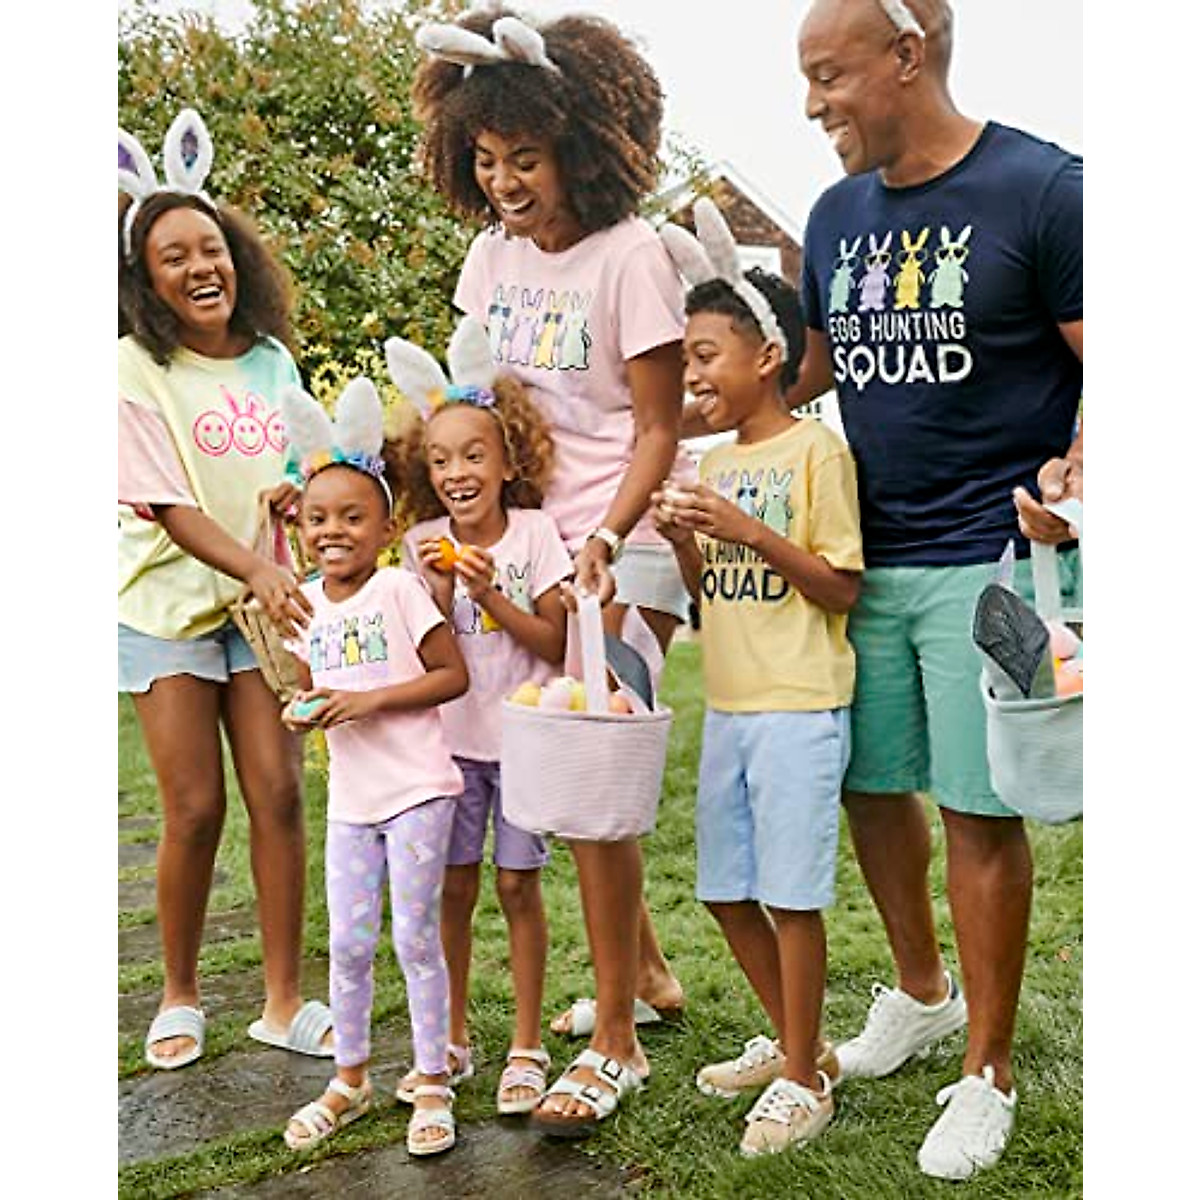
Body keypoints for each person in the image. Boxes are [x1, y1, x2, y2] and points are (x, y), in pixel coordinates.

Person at [744, 0, 1080, 1180]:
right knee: (872, 788)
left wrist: (1078, 468)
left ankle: (986, 1071)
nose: (811, 104)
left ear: (907, 54)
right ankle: (925, 994)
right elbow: (808, 373)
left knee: (978, 809)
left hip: (993, 560)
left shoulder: (1044, 190)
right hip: (865, 561)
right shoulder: (836, 215)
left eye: (827, 74)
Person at [411, 6, 692, 1134]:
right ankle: (649, 974)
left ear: (580, 144)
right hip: (530, 544)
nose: (505, 182)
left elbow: (660, 430)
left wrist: (606, 543)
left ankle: (617, 1041)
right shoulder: (490, 256)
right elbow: (478, 404)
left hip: (627, 540)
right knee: (561, 775)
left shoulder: (633, 257)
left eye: (525, 157)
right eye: (486, 159)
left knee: (590, 769)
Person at [117, 108, 334, 1071]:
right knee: (196, 807)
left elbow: (302, 458)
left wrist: (300, 489)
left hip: (261, 611)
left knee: (278, 792)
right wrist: (256, 564)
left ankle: (284, 1001)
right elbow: (168, 505)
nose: (200, 267)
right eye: (174, 257)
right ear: (144, 277)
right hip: (165, 607)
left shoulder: (271, 361)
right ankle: (180, 993)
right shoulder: (130, 368)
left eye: (211, 249)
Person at [652, 200, 863, 1156]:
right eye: (686, 360)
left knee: (790, 895)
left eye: (705, 355)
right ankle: (799, 1047)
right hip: (733, 705)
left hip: (799, 706)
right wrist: (685, 543)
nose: (691, 375)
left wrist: (742, 527)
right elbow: (713, 598)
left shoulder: (816, 450)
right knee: (725, 890)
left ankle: (801, 1077)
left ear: (768, 355)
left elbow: (839, 586)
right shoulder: (712, 464)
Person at [383, 320, 573, 1116]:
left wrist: (489, 591)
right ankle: (450, 1039)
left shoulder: (535, 535)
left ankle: (527, 1045)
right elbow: (418, 654)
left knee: (517, 886)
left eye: (473, 455)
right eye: (440, 460)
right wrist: (434, 592)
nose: (457, 472)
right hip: (449, 751)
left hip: (523, 743)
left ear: (507, 462)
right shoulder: (422, 544)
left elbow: (557, 642)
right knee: (453, 890)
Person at [278, 378, 469, 1156]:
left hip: (418, 790)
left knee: (414, 940)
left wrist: (372, 701)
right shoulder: (304, 605)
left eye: (353, 517)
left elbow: (451, 675)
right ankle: (350, 1080)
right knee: (349, 945)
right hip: (352, 804)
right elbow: (303, 689)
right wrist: (303, 709)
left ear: (386, 529)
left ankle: (433, 1081)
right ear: (301, 529)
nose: (334, 531)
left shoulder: (398, 588)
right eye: (318, 518)